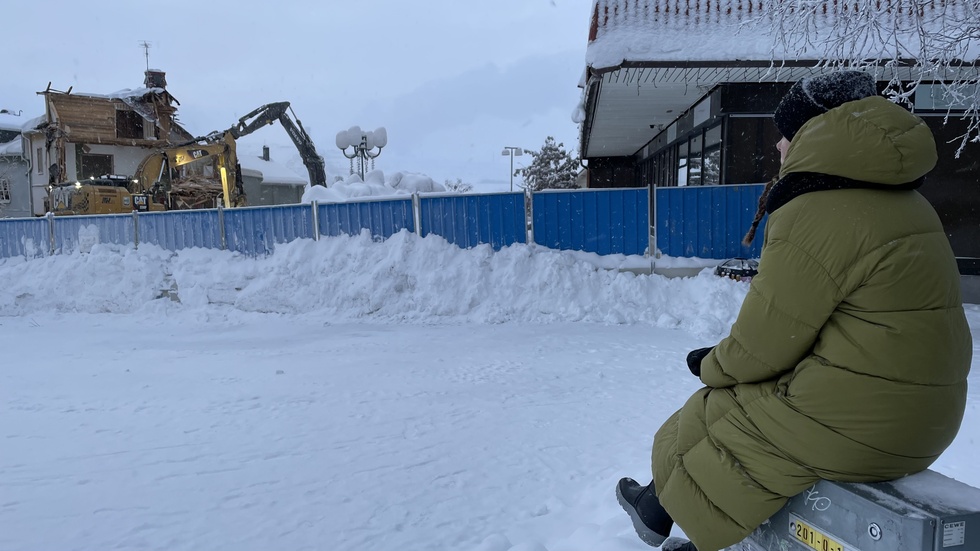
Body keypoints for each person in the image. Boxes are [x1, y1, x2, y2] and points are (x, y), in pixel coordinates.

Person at [616, 70, 973, 551]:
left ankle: (680, 525)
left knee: (711, 408)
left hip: (860, 420)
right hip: (928, 416)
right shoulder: (909, 202)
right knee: (736, 412)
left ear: (817, 132)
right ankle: (659, 510)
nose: (780, 148)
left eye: (787, 134)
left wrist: (712, 364)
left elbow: (766, 344)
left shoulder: (818, 209)